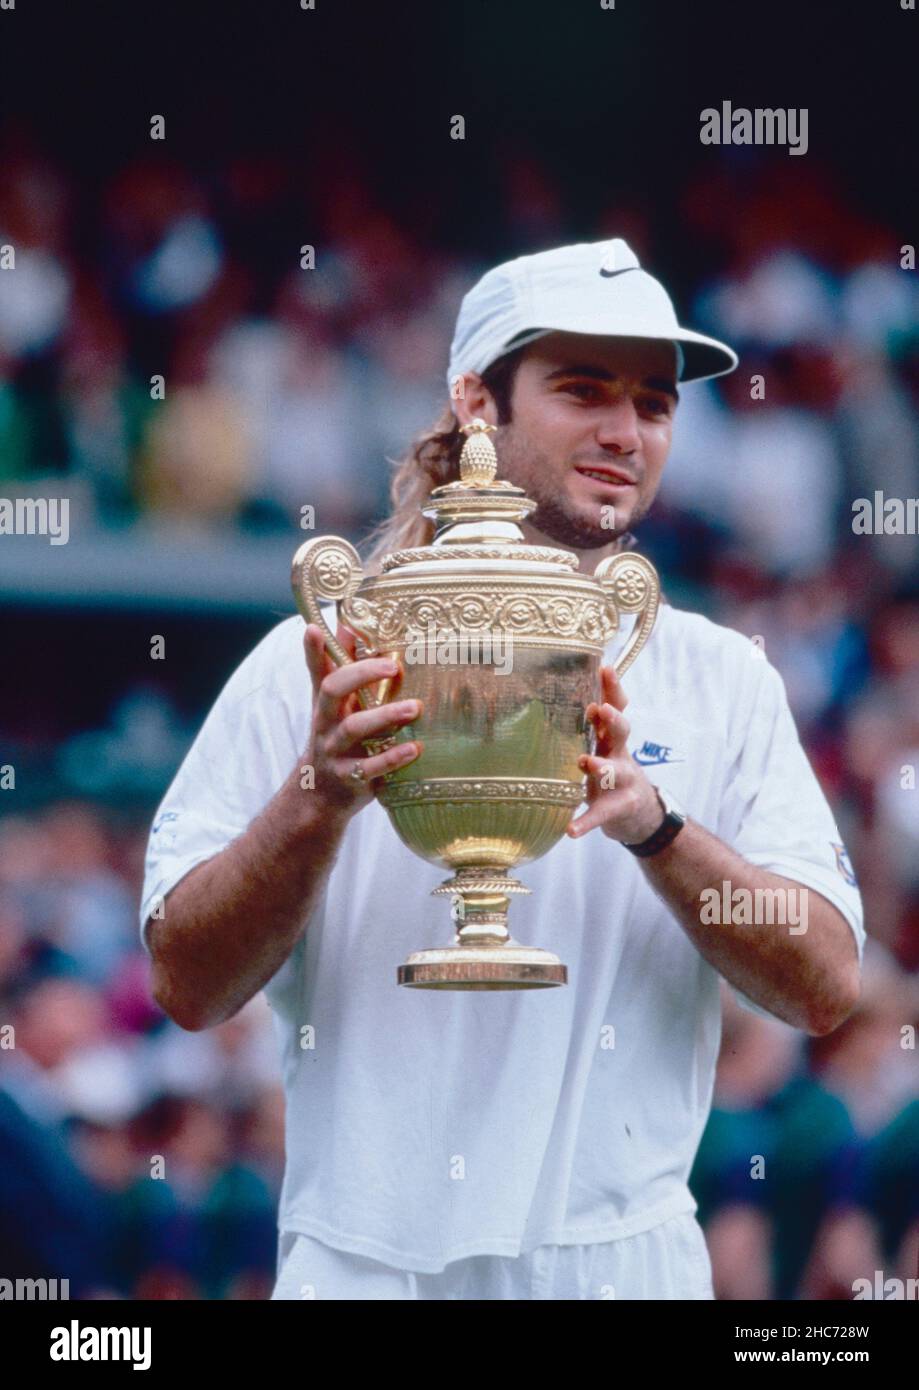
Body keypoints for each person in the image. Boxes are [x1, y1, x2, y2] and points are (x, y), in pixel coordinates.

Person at [140, 238, 865, 1300]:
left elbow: (826, 985)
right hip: (363, 1269)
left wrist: (657, 831)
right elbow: (185, 983)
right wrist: (320, 798)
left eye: (654, 405)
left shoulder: (722, 680)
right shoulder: (314, 662)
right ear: (477, 400)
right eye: (583, 390)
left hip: (623, 1271)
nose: (626, 432)